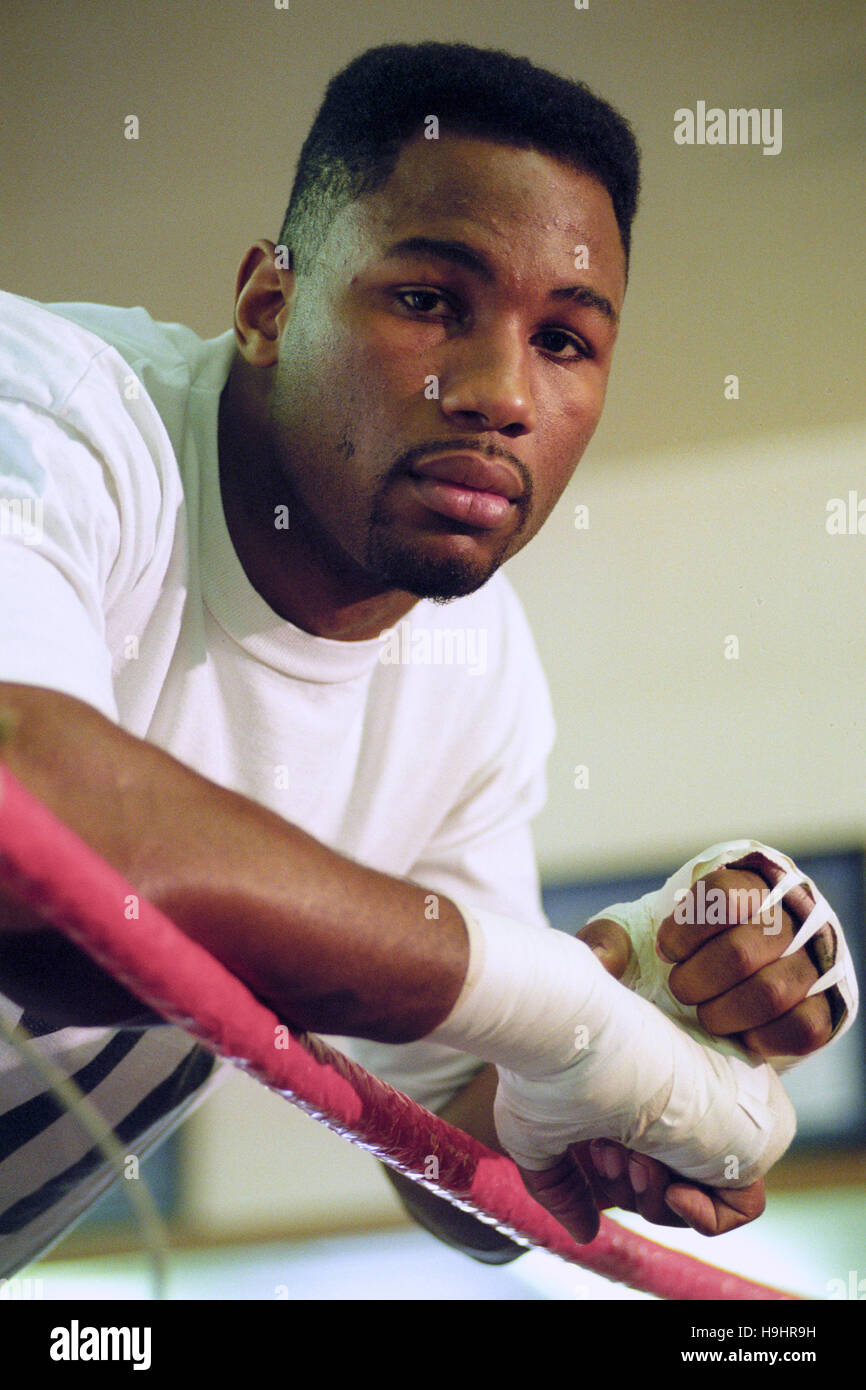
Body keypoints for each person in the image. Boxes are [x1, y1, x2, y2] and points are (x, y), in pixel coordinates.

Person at [0, 41, 852, 1279]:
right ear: (267, 301)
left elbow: (458, 1173)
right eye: (428, 301)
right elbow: (35, 840)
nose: (500, 393)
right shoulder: (54, 410)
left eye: (564, 340)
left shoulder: (475, 674)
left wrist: (602, 1059)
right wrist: (561, 1008)